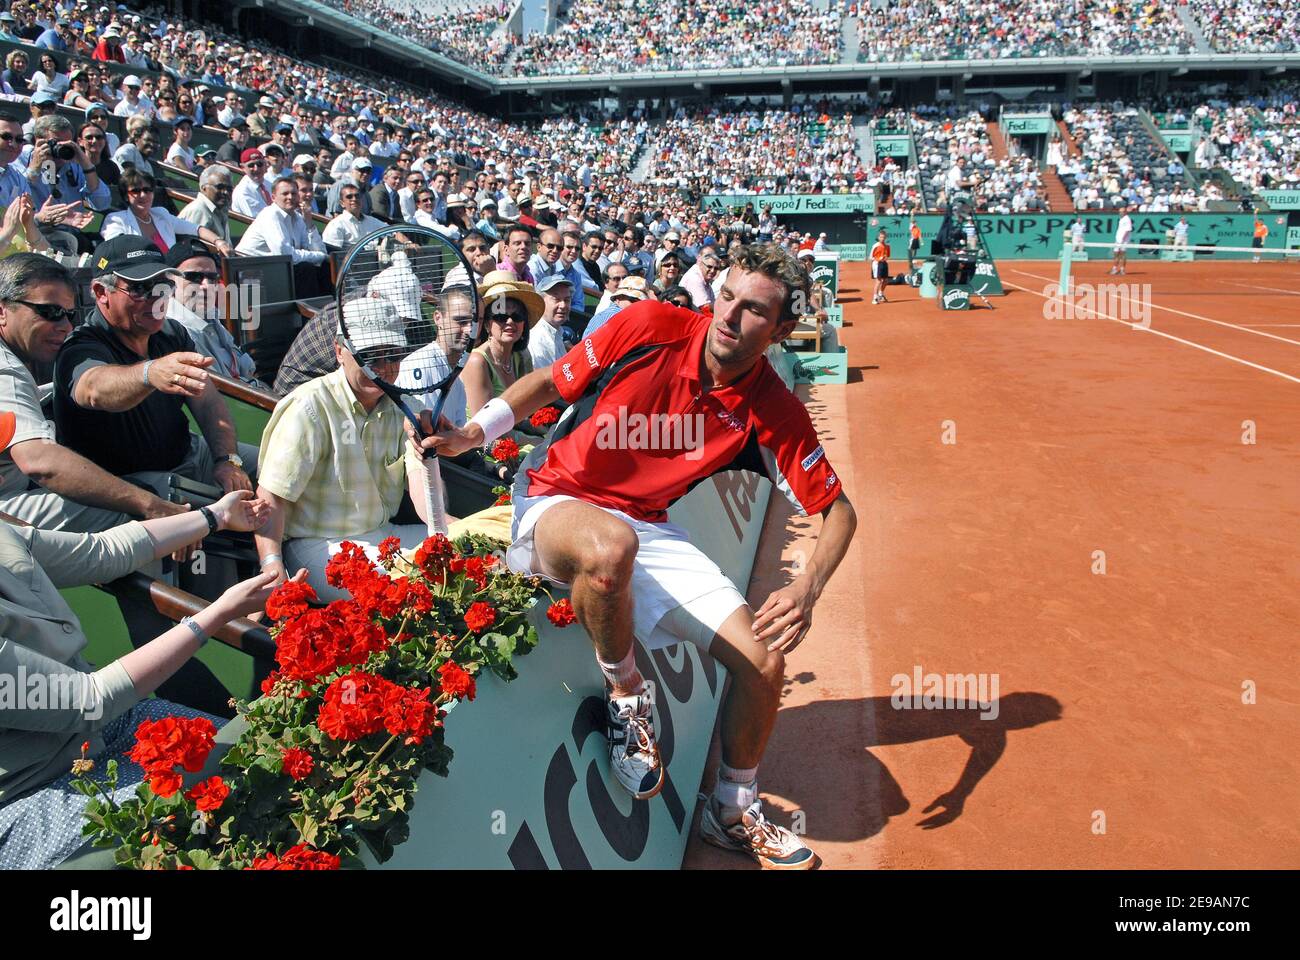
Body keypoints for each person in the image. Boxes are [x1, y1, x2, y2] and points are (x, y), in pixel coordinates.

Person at [426, 244, 856, 870]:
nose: (729, 317)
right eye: (727, 297)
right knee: (609, 548)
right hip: (555, 498)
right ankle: (628, 695)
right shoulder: (650, 324)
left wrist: (809, 585)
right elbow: (550, 380)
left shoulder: (774, 410)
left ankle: (731, 810)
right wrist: (473, 431)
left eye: (753, 311)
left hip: (646, 527)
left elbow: (839, 511)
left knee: (764, 662)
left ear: (783, 331)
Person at [0, 455, 289, 870]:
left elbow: (99, 552)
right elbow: (88, 699)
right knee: (206, 795)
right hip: (28, 793)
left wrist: (214, 516)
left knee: (247, 752)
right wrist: (215, 614)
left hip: (93, 732)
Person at [252, 298, 438, 601]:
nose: (381, 368)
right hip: (313, 544)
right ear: (340, 352)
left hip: (383, 536)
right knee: (395, 587)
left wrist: (451, 527)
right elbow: (271, 496)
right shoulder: (309, 406)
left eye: (392, 355)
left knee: (463, 552)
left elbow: (423, 492)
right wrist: (271, 568)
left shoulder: (405, 409)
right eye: (368, 356)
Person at [0, 254, 190, 531]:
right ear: (3, 311)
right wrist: (149, 505)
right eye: (49, 312)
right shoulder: (7, 372)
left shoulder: (173, 333)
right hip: (8, 504)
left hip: (17, 490)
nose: (64, 326)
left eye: (68, 314)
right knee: (133, 518)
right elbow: (40, 462)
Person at [163, 239, 265, 388]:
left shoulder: (211, 315)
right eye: (194, 277)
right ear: (170, 280)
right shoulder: (175, 331)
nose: (207, 286)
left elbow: (245, 368)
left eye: (212, 278)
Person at [102, 170, 233, 257]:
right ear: (126, 196)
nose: (143, 195)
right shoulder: (116, 219)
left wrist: (219, 242)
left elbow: (197, 229)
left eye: (147, 190)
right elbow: (115, 249)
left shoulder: (161, 214)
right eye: (135, 191)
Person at [462, 271, 537, 421]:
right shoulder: (477, 362)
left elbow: (530, 411)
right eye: (501, 317)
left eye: (517, 317)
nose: (510, 322)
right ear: (488, 324)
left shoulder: (521, 356)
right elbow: (484, 429)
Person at [235, 178, 328, 266]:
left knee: (324, 266)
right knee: (305, 268)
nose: (290, 197)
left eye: (294, 193)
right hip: (249, 269)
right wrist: (319, 256)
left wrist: (309, 223)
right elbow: (284, 254)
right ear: (273, 197)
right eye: (285, 193)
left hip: (275, 267)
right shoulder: (270, 215)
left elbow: (320, 251)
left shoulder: (298, 218)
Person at [321, 181, 388, 249]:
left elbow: (392, 232)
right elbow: (332, 253)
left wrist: (397, 234)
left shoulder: (372, 221)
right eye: (349, 197)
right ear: (342, 203)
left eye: (357, 196)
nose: (354, 199)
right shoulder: (336, 224)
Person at [178, 165, 234, 245]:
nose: (226, 192)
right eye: (220, 187)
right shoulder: (198, 210)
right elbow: (192, 248)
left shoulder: (221, 209)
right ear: (203, 188)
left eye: (229, 189)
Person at [528, 274, 572, 370]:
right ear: (540, 302)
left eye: (567, 300)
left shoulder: (556, 332)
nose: (563, 305)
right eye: (556, 299)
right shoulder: (538, 338)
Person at [230, 148, 274, 219]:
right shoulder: (242, 191)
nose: (256, 168)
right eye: (251, 165)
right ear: (243, 167)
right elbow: (258, 220)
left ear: (265, 164)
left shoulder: (269, 184)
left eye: (259, 164)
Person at [870, 229, 890, 304]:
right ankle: (875, 298)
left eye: (884, 237)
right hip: (877, 264)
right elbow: (871, 257)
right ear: (878, 237)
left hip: (884, 263)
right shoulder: (875, 246)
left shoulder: (887, 246)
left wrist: (884, 258)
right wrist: (879, 259)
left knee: (885, 280)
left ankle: (881, 294)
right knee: (878, 281)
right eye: (881, 237)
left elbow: (887, 255)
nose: (882, 238)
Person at [1110, 207, 1132, 276]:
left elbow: (1128, 230)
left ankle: (1122, 270)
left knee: (1122, 254)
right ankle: (1115, 269)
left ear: (1125, 212)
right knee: (1116, 254)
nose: (1120, 213)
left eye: (1121, 212)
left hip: (1123, 240)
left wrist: (1122, 239)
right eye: (1119, 212)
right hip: (1118, 239)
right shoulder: (1121, 219)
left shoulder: (1127, 219)